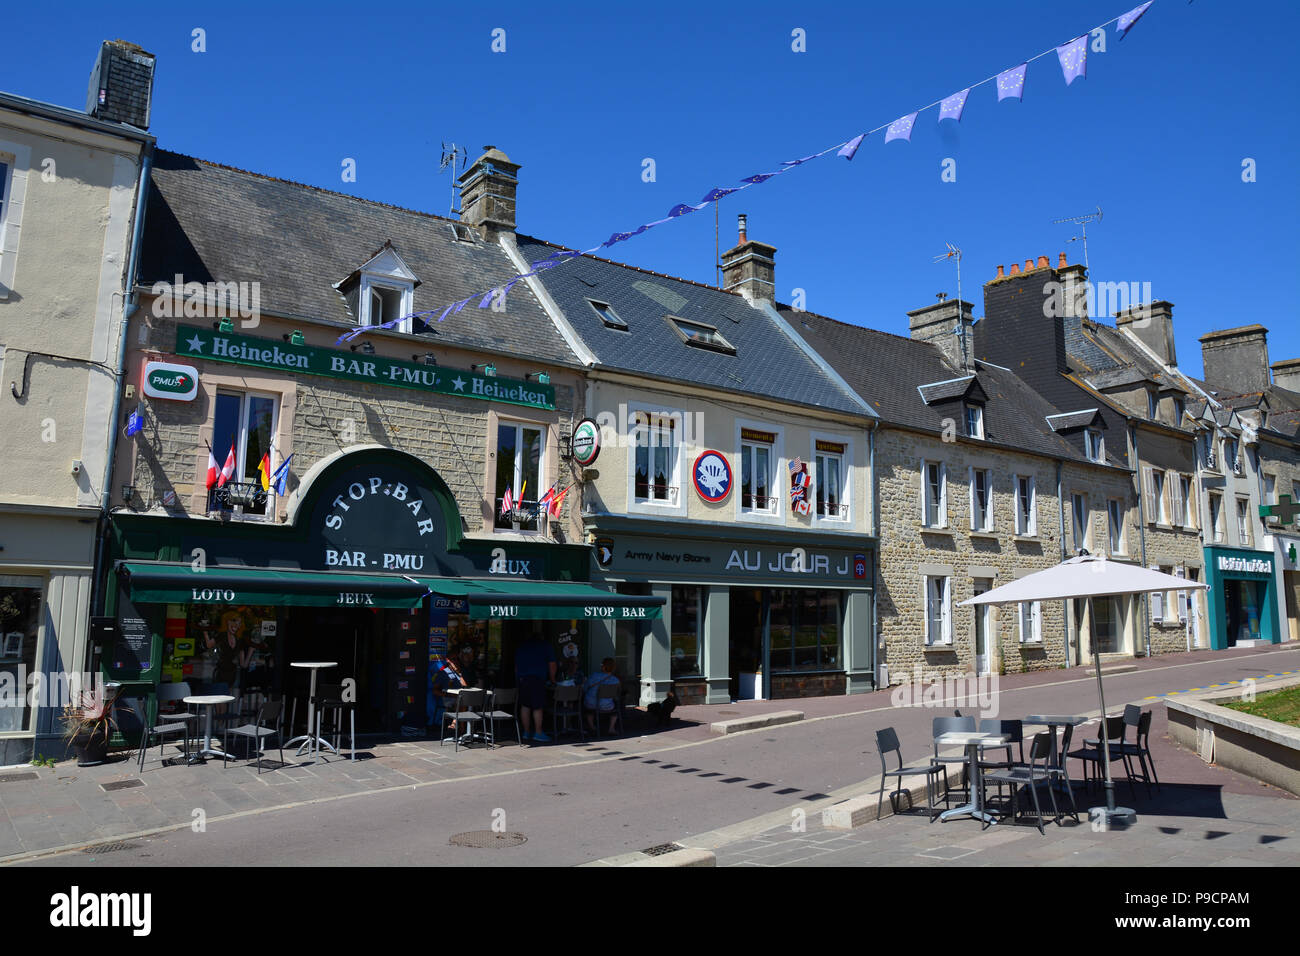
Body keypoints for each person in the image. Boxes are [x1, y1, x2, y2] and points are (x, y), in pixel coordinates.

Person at [514, 632, 556, 743]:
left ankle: (526, 732)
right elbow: (552, 664)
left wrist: (518, 679)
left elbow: (516, 667)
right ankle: (538, 732)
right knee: (538, 707)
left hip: (523, 680)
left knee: (525, 706)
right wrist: (553, 679)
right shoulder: (546, 646)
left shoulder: (522, 647)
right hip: (537, 679)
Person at [583, 658, 621, 735]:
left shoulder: (594, 675)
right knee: (616, 707)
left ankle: (592, 727)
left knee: (588, 708)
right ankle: (611, 728)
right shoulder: (616, 680)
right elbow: (617, 693)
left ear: (603, 667)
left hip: (591, 704)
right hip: (607, 706)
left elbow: (585, 688)